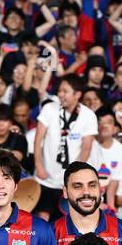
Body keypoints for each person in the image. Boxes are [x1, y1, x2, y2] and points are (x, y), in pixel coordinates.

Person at [32, 74, 97, 221]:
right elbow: (38, 140)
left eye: (65, 91)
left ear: (77, 94)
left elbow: (86, 148)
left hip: (69, 181)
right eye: (59, 91)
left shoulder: (88, 115)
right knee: (42, 217)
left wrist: (75, 175)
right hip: (45, 177)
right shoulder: (49, 109)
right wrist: (38, 165)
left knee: (66, 220)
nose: (61, 94)